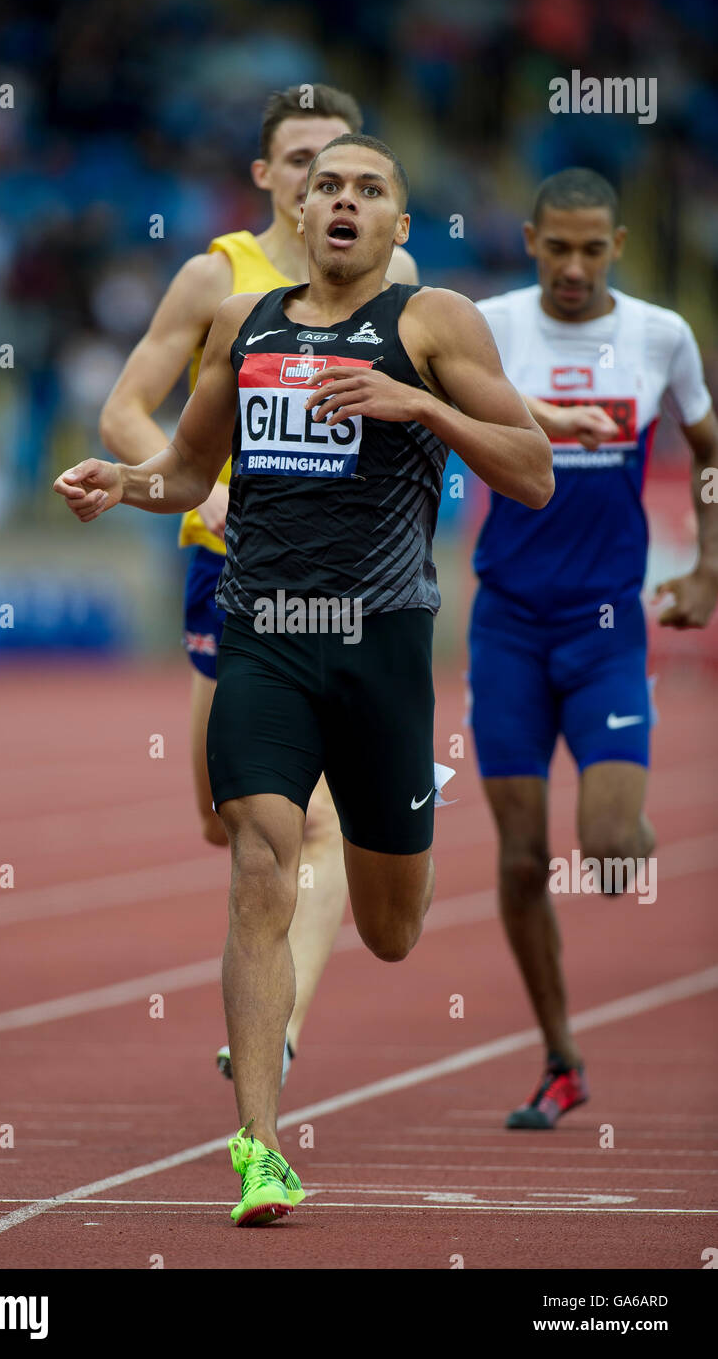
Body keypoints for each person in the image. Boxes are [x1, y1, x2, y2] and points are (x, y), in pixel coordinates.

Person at [54, 132, 554, 1225]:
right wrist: (121, 483)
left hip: (381, 653)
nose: (342, 201)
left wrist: (419, 406)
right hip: (264, 639)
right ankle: (260, 1147)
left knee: (391, 927)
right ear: (300, 206)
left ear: (396, 226)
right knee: (258, 864)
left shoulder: (434, 325)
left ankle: (412, 801)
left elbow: (533, 472)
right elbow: (187, 469)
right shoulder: (248, 323)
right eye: (326, 184)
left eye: (368, 189)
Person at [98, 85, 420, 1088]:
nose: (324, 186)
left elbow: (445, 373)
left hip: (351, 592)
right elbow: (124, 414)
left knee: (308, 823)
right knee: (225, 818)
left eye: (347, 169)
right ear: (267, 176)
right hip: (226, 571)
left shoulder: (394, 278)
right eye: (303, 164)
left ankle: (273, 1030)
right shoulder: (216, 282)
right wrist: (210, 495)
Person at [470, 168, 718, 1128]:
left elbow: (709, 450)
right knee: (523, 859)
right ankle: (560, 1057)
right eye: (555, 247)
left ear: (616, 247)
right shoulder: (487, 326)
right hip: (507, 627)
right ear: (529, 239)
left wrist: (705, 574)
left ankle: (632, 830)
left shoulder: (660, 336)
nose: (572, 267)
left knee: (610, 854)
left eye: (591, 249)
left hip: (608, 626)